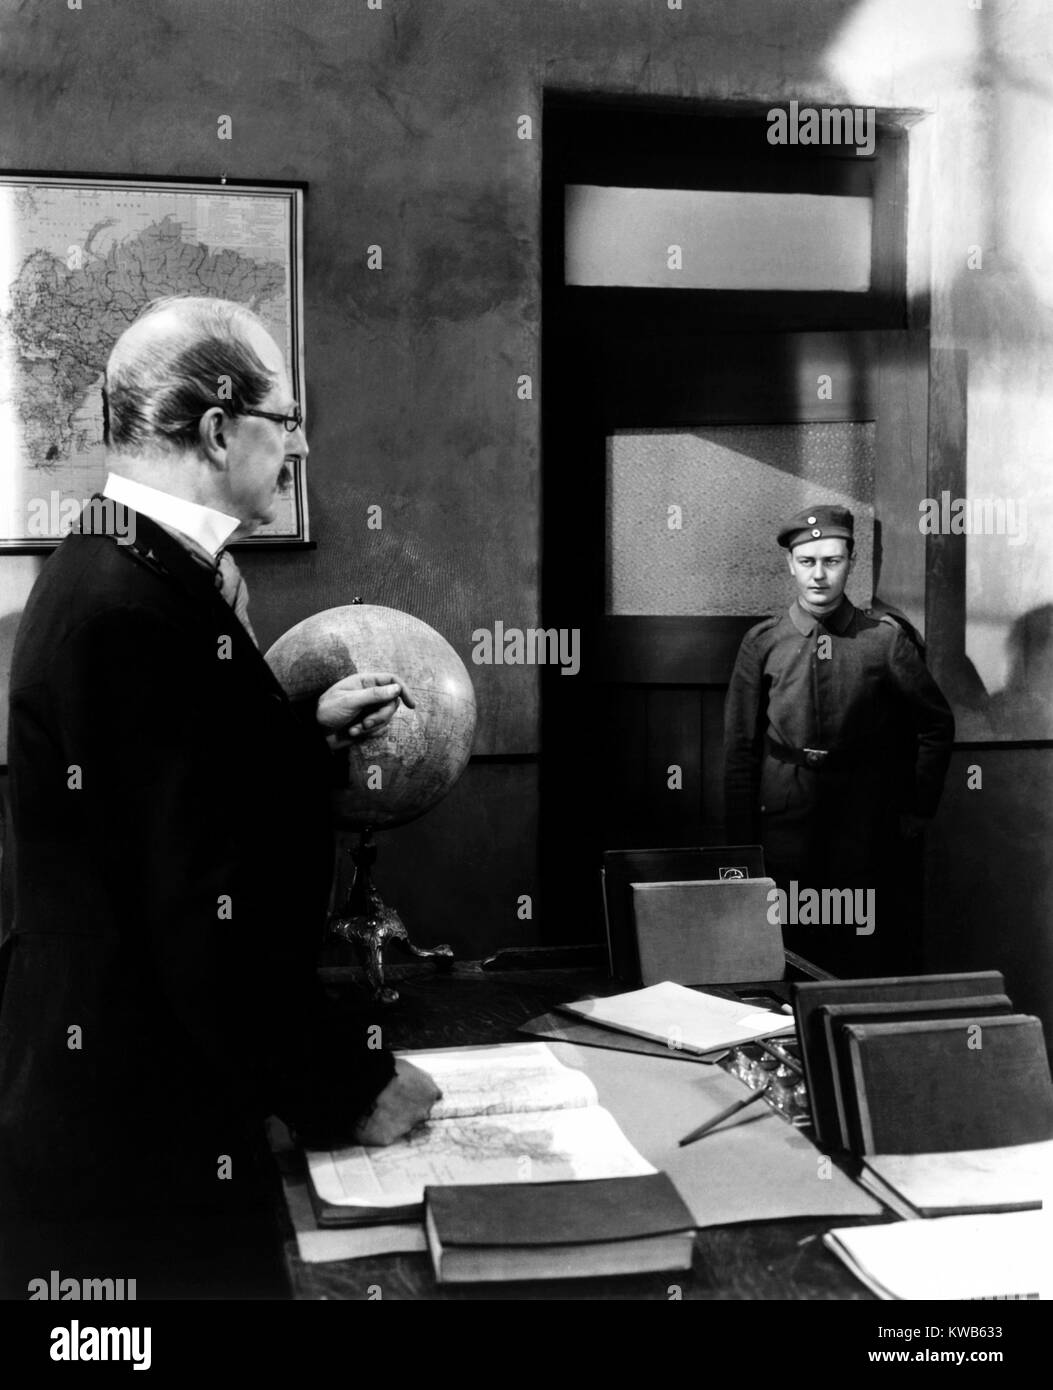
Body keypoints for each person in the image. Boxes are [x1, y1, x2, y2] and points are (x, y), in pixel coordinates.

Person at [0, 296, 440, 1299]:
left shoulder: (128, 566)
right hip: (134, 1150)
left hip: (136, 1108)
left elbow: (180, 797)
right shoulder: (129, 607)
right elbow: (199, 912)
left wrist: (298, 737)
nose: (300, 443)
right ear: (215, 430)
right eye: (286, 420)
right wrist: (350, 1085)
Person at [723, 505, 955, 977]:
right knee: (785, 947)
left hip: (865, 820)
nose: (819, 575)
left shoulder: (884, 641)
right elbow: (740, 746)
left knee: (861, 950)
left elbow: (935, 724)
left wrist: (916, 807)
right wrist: (739, 842)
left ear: (850, 561)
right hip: (784, 817)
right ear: (791, 564)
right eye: (807, 562)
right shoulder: (764, 642)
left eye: (832, 561)